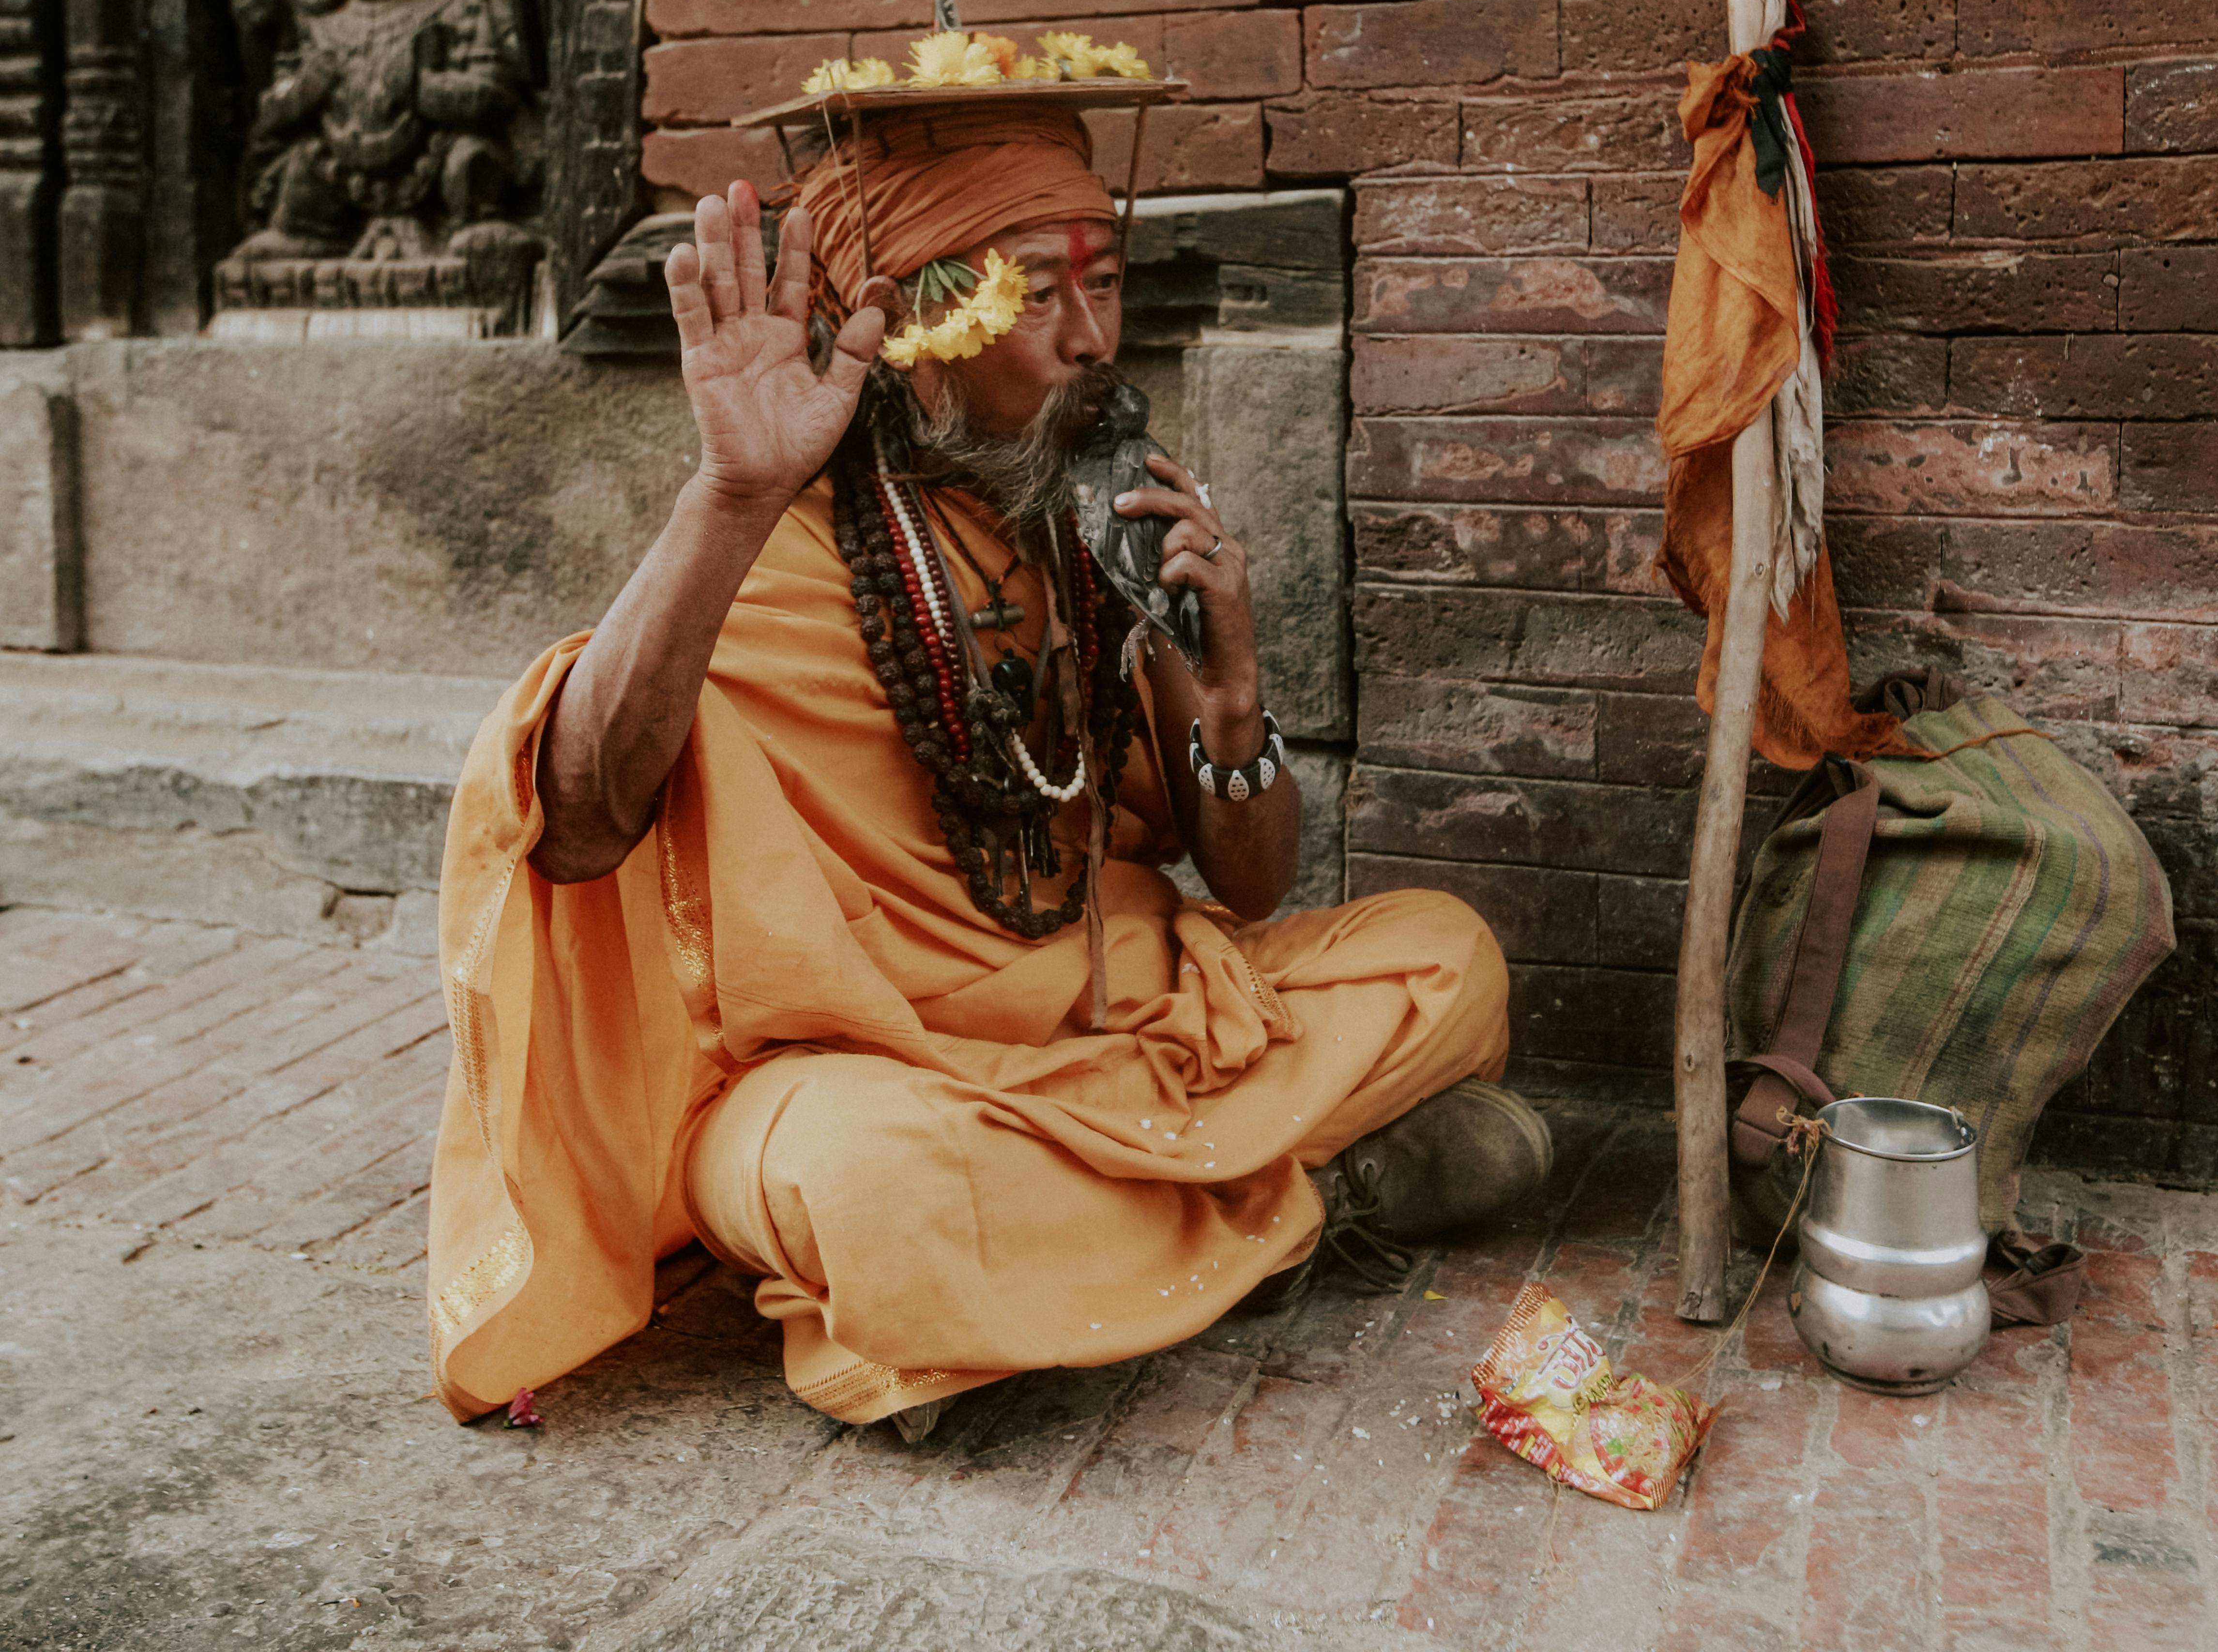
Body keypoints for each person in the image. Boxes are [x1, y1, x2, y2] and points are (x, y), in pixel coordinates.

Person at [424, 73, 1548, 1437]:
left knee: (1450, 957)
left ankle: (1099, 1260)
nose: (1091, 339)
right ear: (912, 328)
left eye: (1107, 284)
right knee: (869, 1186)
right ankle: (1312, 1201)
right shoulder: (764, 555)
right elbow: (580, 817)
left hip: (1133, 1029)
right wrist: (727, 498)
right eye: (1035, 292)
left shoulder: (1097, 532)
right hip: (881, 1079)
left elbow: (1251, 887)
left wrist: (1236, 690)